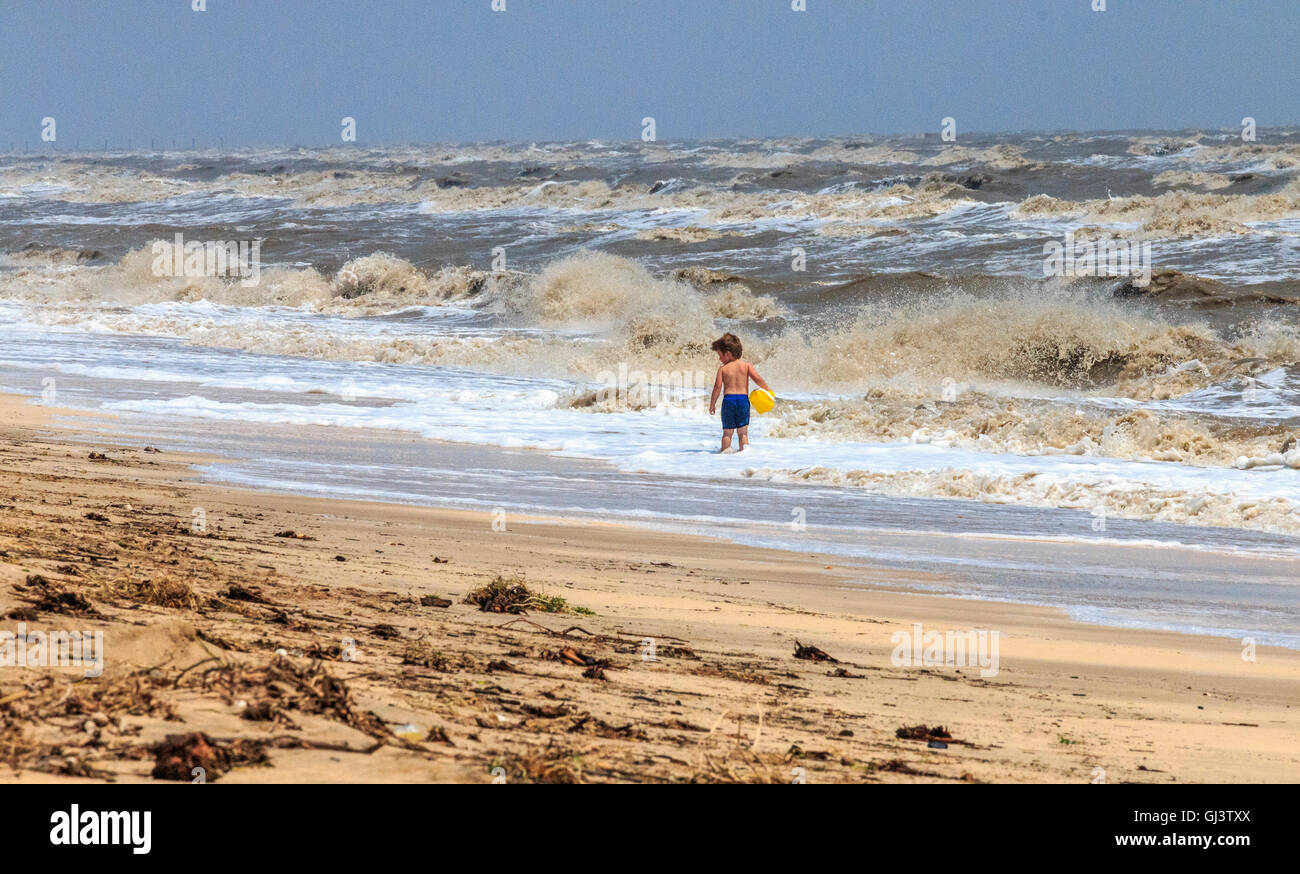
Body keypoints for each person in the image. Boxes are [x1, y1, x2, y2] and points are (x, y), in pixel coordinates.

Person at [708, 333, 771, 453]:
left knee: (727, 433)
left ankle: (724, 455)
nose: (719, 359)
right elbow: (757, 379)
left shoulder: (723, 369)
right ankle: (744, 455)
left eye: (720, 355)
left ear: (727, 353)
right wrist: (767, 390)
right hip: (743, 401)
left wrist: (712, 404)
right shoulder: (746, 366)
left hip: (728, 401)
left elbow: (717, 387)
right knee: (743, 432)